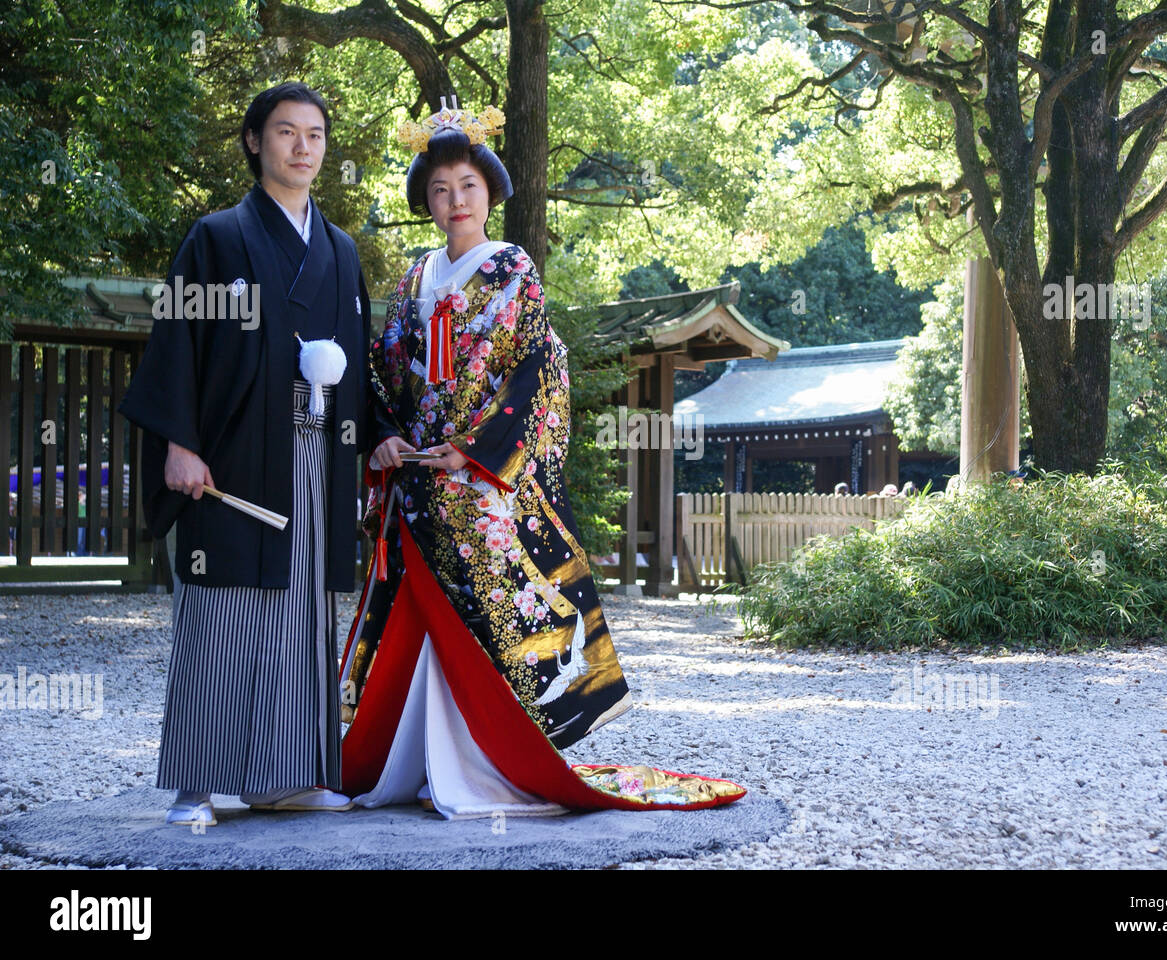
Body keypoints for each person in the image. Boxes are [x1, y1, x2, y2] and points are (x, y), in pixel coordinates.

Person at [340, 99, 745, 816]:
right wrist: (385, 436)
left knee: (491, 621)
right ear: (426, 202)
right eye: (439, 190)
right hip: (417, 482)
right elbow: (383, 370)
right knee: (419, 620)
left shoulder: (511, 271)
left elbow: (537, 370)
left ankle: (484, 767)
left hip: (479, 483)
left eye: (467, 185)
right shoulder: (411, 280)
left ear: (489, 191)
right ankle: (410, 765)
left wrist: (475, 450)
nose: (454, 201)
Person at [118, 83, 371, 826]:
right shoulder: (218, 237)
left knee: (300, 615)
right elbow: (176, 349)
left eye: (316, 134)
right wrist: (180, 444)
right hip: (227, 457)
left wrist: (365, 448)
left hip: (314, 450)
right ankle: (197, 783)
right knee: (221, 608)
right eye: (286, 132)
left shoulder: (339, 249)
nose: (302, 146)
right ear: (256, 141)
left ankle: (285, 776)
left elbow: (360, 363)